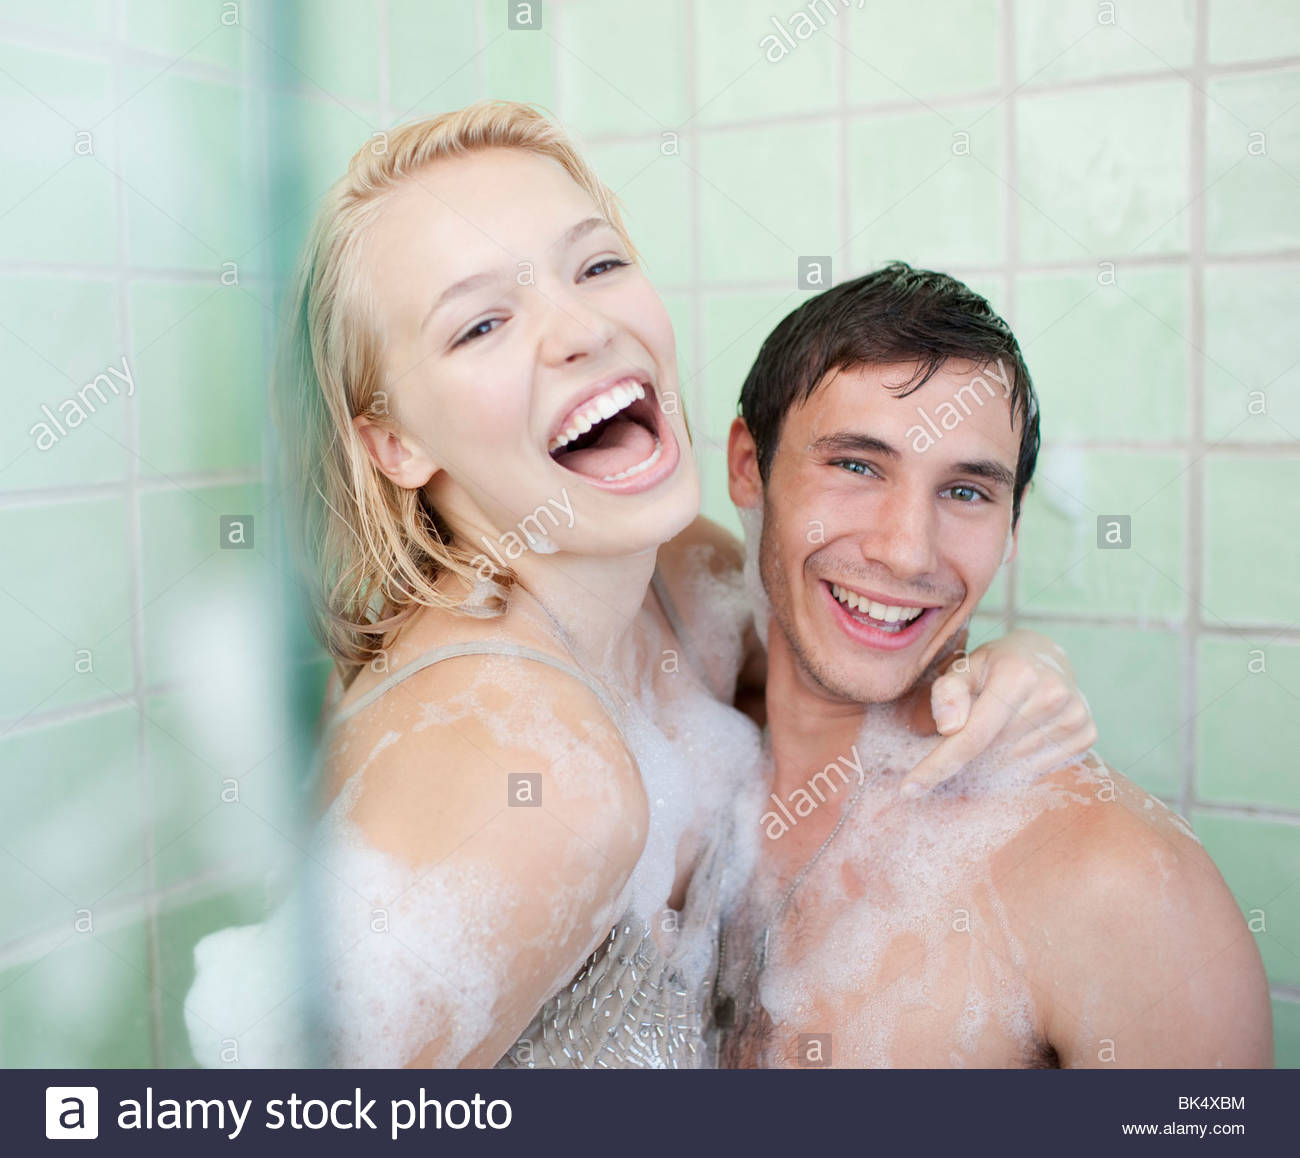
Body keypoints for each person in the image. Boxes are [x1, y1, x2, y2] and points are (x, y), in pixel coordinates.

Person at [185, 103, 1097, 1070]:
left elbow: (837, 685)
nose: (579, 328)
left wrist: (1016, 663)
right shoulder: (533, 776)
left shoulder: (682, 579)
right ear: (394, 443)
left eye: (597, 266)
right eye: (482, 323)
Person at [716, 263, 1274, 1068]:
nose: (906, 550)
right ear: (748, 465)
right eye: (857, 466)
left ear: (1012, 528)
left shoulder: (1115, 884)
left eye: (967, 492)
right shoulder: (688, 766)